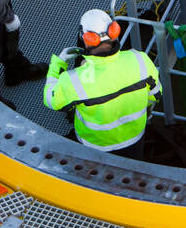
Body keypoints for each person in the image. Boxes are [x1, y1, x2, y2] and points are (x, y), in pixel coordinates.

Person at [44, 9, 161, 158]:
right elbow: (155, 95)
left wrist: (57, 65)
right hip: (135, 139)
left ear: (86, 39)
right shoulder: (140, 60)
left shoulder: (74, 80)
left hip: (95, 146)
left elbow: (50, 100)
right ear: (114, 31)